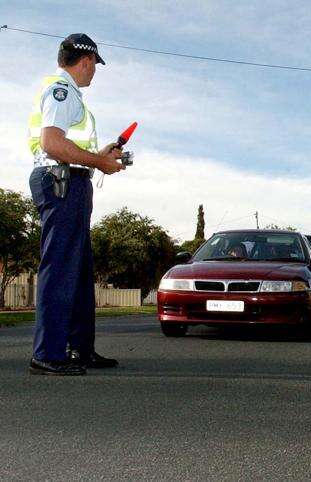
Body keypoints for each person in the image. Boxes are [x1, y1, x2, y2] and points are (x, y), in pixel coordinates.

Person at [27, 34, 126, 376]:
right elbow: (52, 143)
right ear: (86, 61)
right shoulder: (62, 90)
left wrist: (99, 157)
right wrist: (99, 164)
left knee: (80, 272)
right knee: (60, 269)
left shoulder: (67, 93)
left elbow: (66, 146)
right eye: (94, 66)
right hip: (60, 183)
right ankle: (48, 353)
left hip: (71, 181)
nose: (94, 73)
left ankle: (79, 349)